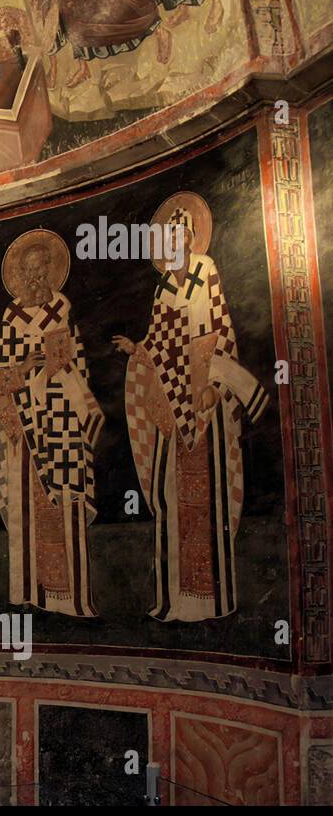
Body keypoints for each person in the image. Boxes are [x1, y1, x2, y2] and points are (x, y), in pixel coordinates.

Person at [113, 193, 269, 622]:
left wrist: (214, 384)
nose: (174, 245)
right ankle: (173, 600)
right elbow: (160, 344)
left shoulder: (207, 271)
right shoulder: (163, 286)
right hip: (171, 399)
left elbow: (221, 331)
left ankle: (215, 601)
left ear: (191, 239)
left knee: (211, 494)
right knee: (169, 497)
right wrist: (137, 351)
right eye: (168, 238)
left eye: (181, 237)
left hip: (204, 401)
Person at [0, 231, 103, 617]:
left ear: (51, 271)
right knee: (29, 510)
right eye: (27, 271)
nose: (34, 277)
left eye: (40, 269)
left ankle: (74, 601)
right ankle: (30, 594)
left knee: (67, 500)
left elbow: (78, 368)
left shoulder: (63, 313)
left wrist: (58, 371)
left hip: (63, 423)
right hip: (24, 432)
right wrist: (22, 370)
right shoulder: (11, 319)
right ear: (18, 274)